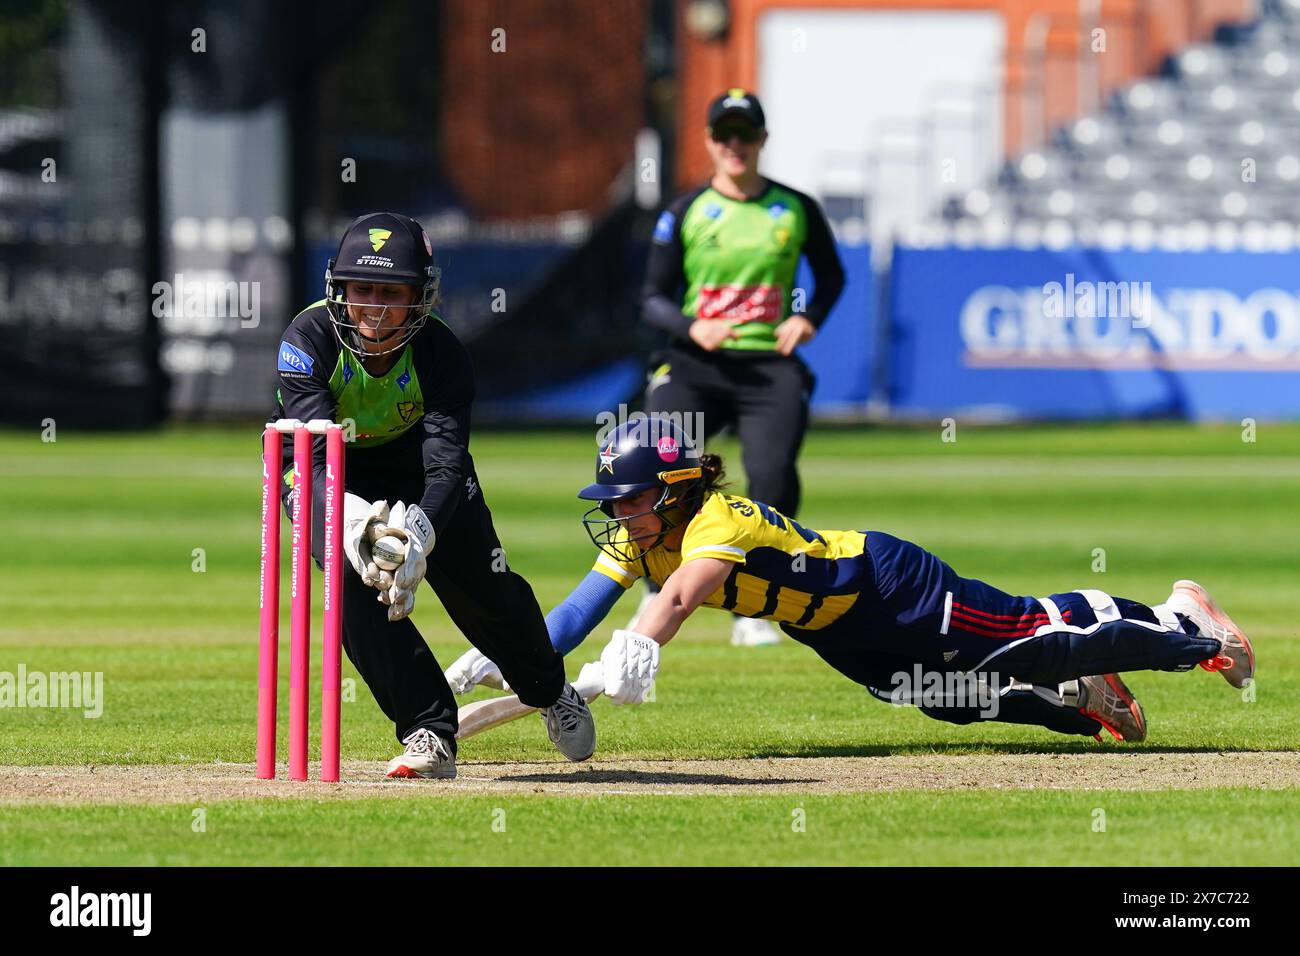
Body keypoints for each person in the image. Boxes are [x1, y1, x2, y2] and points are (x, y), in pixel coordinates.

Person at [446, 418, 1255, 743]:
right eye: (613, 502)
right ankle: (1082, 698)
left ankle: (1186, 626)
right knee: (946, 700)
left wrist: (637, 647)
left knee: (1027, 635)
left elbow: (682, 597)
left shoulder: (717, 521)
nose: (620, 514)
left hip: (887, 583)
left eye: (631, 498)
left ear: (680, 485)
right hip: (834, 629)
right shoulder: (640, 536)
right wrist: (516, 649)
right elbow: (579, 612)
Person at [272, 211, 595, 779]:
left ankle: (549, 688)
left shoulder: (442, 354)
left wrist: (422, 529)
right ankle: (428, 730)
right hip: (330, 467)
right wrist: (354, 525)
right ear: (338, 290)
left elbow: (446, 463)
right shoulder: (308, 339)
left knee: (485, 591)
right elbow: (315, 457)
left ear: (420, 297)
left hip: (419, 467)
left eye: (391, 293)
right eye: (361, 289)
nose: (374, 307)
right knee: (353, 592)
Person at [638, 88, 845, 646]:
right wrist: (692, 327)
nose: (735, 145)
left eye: (745, 134)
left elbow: (832, 278)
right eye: (724, 134)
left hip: (767, 364)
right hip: (694, 361)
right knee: (659, 463)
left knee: (772, 477)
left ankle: (755, 602)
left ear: (762, 141)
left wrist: (807, 320)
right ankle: (657, 582)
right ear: (708, 140)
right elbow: (652, 298)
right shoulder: (685, 211)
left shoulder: (795, 207)